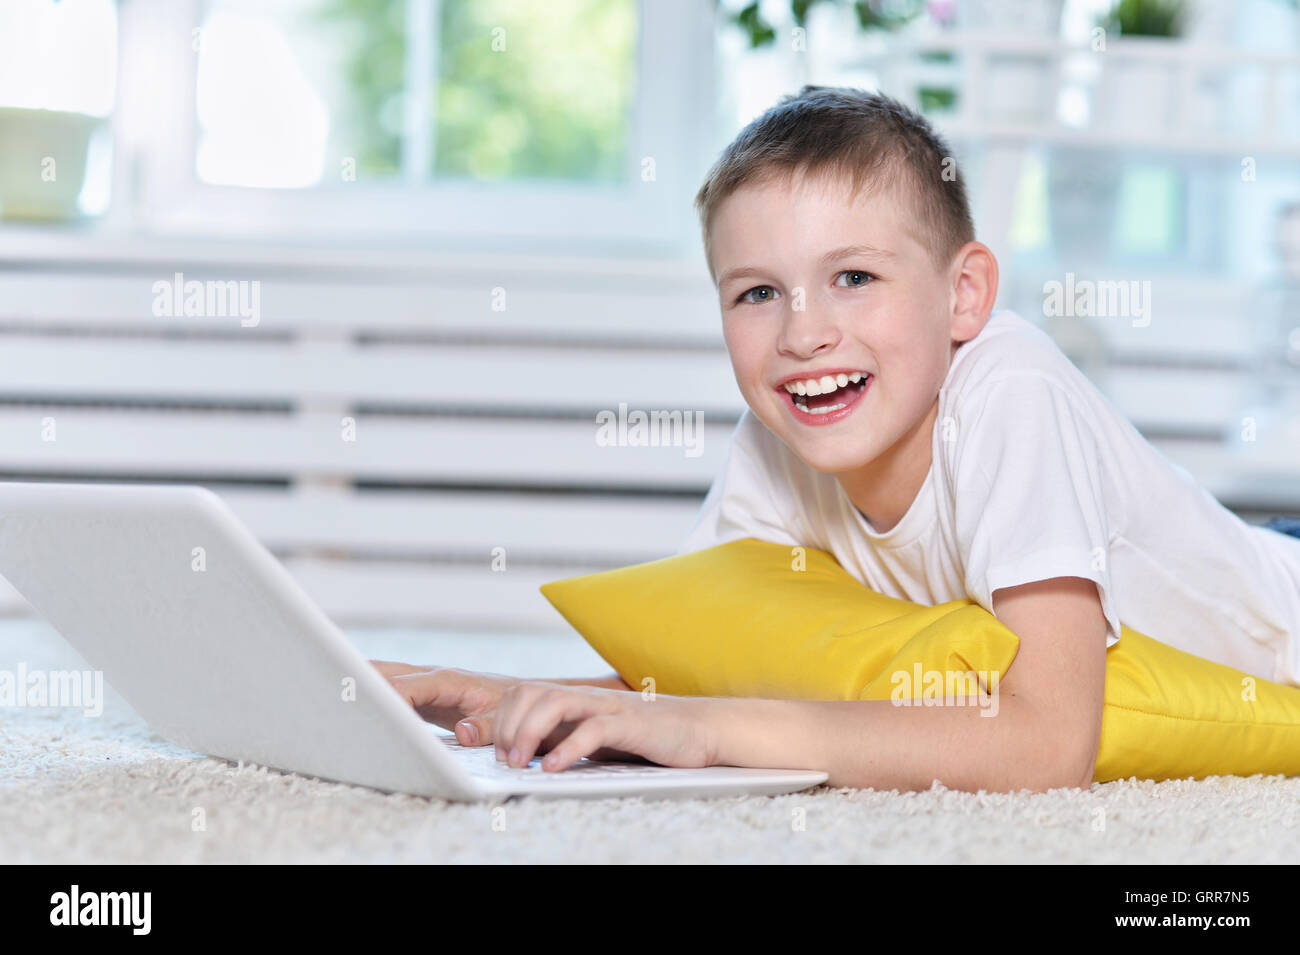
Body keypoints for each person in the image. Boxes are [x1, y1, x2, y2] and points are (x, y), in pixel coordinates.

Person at [373, 86, 1300, 793]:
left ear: (964, 295)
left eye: (853, 276)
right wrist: (488, 693)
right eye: (757, 292)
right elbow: (701, 666)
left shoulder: (1010, 389)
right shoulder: (777, 441)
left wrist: (711, 733)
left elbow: (1049, 741)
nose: (803, 333)